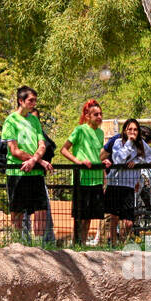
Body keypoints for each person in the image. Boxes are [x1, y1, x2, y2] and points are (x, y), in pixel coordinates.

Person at [0, 85, 53, 242]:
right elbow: (14, 150)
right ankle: (18, 243)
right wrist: (38, 160)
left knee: (41, 209)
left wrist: (34, 160)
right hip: (17, 172)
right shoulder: (10, 121)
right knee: (17, 210)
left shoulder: (34, 119)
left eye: (35, 100)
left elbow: (42, 145)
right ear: (20, 101)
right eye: (31, 100)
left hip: (35, 171)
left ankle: (39, 246)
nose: (33, 103)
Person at [60, 99, 107, 245]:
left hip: (97, 179)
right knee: (80, 215)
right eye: (96, 114)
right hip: (82, 179)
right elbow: (63, 149)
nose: (99, 117)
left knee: (90, 216)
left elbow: (98, 154)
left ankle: (83, 244)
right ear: (87, 116)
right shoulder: (79, 130)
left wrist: (104, 162)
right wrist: (78, 161)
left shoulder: (100, 133)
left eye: (100, 114)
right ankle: (76, 244)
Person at [102, 117, 151, 244]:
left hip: (129, 185)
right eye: (130, 129)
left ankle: (123, 242)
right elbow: (119, 159)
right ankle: (113, 244)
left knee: (128, 222)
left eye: (135, 130)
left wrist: (137, 161)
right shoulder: (118, 142)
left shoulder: (141, 144)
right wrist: (129, 143)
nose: (133, 132)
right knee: (113, 217)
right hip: (115, 182)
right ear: (124, 130)